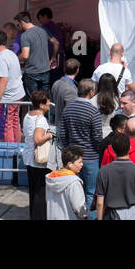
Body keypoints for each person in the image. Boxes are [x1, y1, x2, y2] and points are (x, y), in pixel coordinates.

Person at [59, 79, 103, 219]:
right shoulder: (93, 111)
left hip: (73, 157)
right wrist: (96, 150)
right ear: (91, 92)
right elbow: (97, 137)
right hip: (91, 157)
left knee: (74, 192)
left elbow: (62, 133)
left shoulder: (68, 108)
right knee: (91, 192)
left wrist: (69, 149)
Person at [96, 132, 135, 221]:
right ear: (129, 148)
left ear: (112, 150)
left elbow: (100, 202)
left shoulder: (103, 171)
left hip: (111, 214)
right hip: (133, 214)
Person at [23, 91, 54, 220]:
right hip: (39, 160)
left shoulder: (28, 115)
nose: (49, 105)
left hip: (29, 157)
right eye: (47, 102)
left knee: (34, 191)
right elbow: (38, 139)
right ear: (41, 105)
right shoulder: (40, 119)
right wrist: (51, 134)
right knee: (41, 192)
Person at [0, 29, 26, 143]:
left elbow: (3, 80)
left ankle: (8, 152)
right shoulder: (11, 54)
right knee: (15, 121)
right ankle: (16, 146)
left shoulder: (1, 58)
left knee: (6, 124)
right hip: (18, 94)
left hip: (8, 97)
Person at [15, 10, 54, 98]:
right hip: (45, 70)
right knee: (46, 98)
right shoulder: (43, 30)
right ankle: (49, 112)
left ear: (22, 22)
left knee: (33, 100)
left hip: (32, 73)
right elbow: (56, 43)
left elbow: (25, 55)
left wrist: (15, 58)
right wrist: (53, 57)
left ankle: (35, 112)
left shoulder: (25, 35)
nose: (19, 27)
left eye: (18, 25)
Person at [46, 147, 88, 219]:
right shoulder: (74, 182)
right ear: (70, 164)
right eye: (79, 162)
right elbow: (78, 207)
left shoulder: (51, 178)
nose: (82, 165)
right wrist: (84, 215)